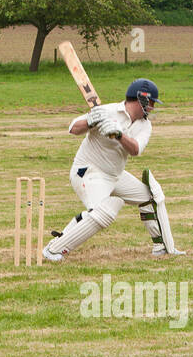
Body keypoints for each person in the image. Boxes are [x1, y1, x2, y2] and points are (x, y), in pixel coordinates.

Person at [42, 78, 181, 262]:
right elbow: (73, 128)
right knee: (105, 211)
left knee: (149, 196)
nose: (153, 108)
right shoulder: (107, 110)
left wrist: (119, 135)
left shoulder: (144, 125)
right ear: (142, 99)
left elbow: (135, 150)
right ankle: (54, 249)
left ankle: (162, 247)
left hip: (115, 175)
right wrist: (90, 121)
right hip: (89, 171)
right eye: (152, 103)